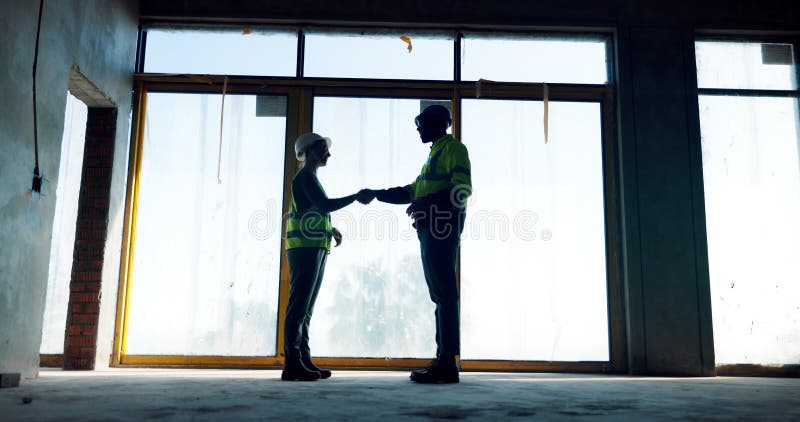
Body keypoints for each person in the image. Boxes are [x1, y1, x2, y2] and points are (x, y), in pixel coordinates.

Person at [368, 105, 472, 384]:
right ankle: (444, 359)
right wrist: (377, 194)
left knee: (445, 293)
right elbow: (411, 192)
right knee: (440, 293)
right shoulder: (434, 156)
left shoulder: (453, 149)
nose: (418, 129)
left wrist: (428, 202)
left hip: (441, 227)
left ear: (440, 124)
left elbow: (462, 190)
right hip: (430, 228)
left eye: (422, 123)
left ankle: (448, 363)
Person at [282, 132, 374, 381]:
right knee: (299, 305)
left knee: (306, 308)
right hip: (305, 247)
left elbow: (313, 210)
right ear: (310, 151)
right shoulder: (305, 178)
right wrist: (355, 196)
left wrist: (330, 229)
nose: (328, 154)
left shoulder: (310, 178)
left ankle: (303, 359)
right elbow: (324, 205)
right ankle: (292, 363)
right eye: (324, 149)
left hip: (315, 245)